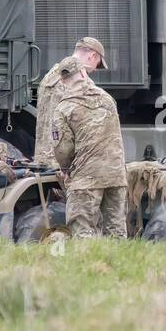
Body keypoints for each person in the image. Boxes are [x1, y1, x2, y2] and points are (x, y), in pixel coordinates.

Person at [50, 56, 127, 238]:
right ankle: (120, 266)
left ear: (62, 80)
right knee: (116, 231)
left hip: (85, 179)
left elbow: (63, 149)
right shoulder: (107, 99)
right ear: (84, 73)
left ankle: (90, 265)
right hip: (116, 176)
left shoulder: (64, 108)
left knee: (83, 232)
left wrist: (66, 169)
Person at [34, 37, 108, 164]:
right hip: (67, 163)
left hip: (44, 158)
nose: (96, 69)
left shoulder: (49, 77)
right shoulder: (81, 81)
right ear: (92, 55)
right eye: (98, 63)